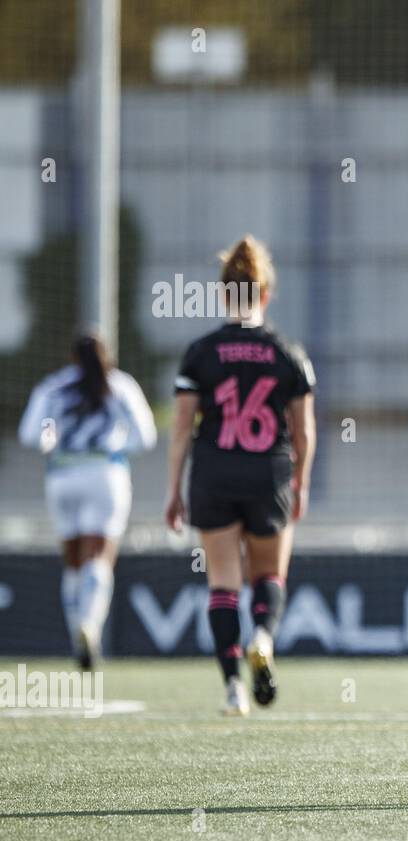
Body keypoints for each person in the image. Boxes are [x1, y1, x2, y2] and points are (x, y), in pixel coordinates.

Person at [165, 236, 316, 716]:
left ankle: (233, 688)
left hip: (214, 474)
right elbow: (304, 431)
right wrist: (301, 481)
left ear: (222, 293)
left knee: (223, 583)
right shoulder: (287, 353)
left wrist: (174, 490)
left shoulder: (200, 353)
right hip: (268, 473)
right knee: (269, 573)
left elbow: (181, 430)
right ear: (265, 294)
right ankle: (264, 639)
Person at [18, 335, 157, 668]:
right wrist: (115, 445)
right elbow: (145, 436)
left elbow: (32, 434)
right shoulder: (120, 385)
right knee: (99, 555)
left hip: (62, 476)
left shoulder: (53, 387)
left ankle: (75, 634)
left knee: (73, 560)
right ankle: (90, 625)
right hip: (105, 474)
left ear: (72, 356)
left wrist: (58, 442)